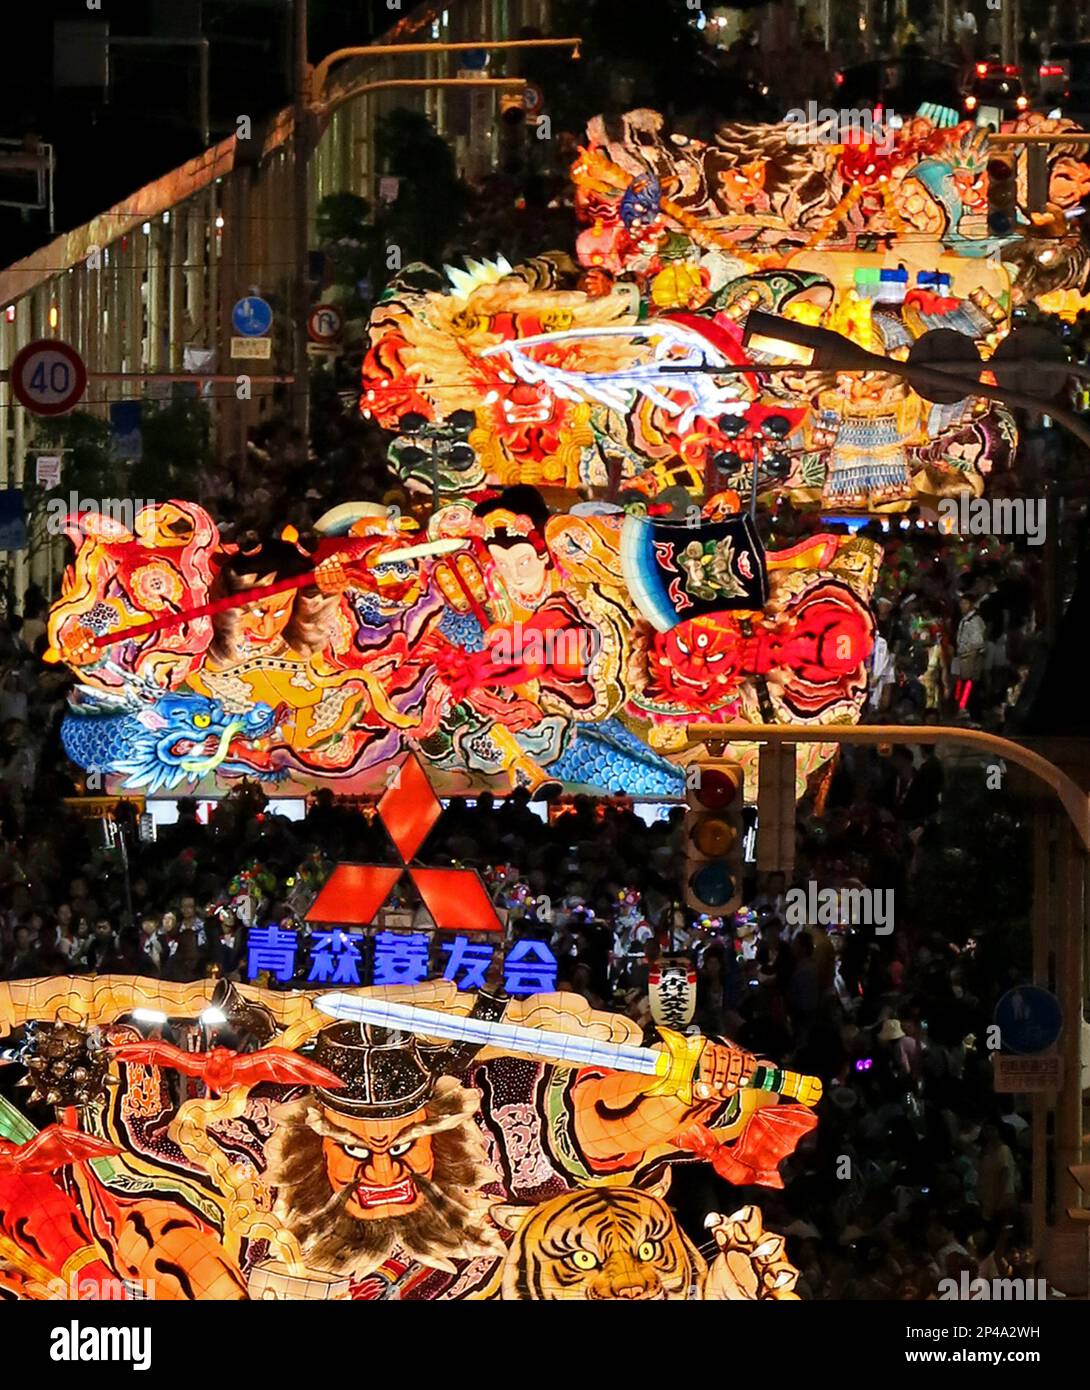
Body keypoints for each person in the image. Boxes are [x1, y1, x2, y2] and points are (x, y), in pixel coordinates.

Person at [952, 594, 986, 716]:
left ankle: (965, 707)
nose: (962, 606)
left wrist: (969, 653)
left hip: (970, 656)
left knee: (969, 683)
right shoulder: (964, 619)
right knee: (960, 682)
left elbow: (978, 642)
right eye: (961, 603)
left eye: (965, 603)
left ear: (971, 604)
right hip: (961, 656)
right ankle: (960, 706)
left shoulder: (975, 620)